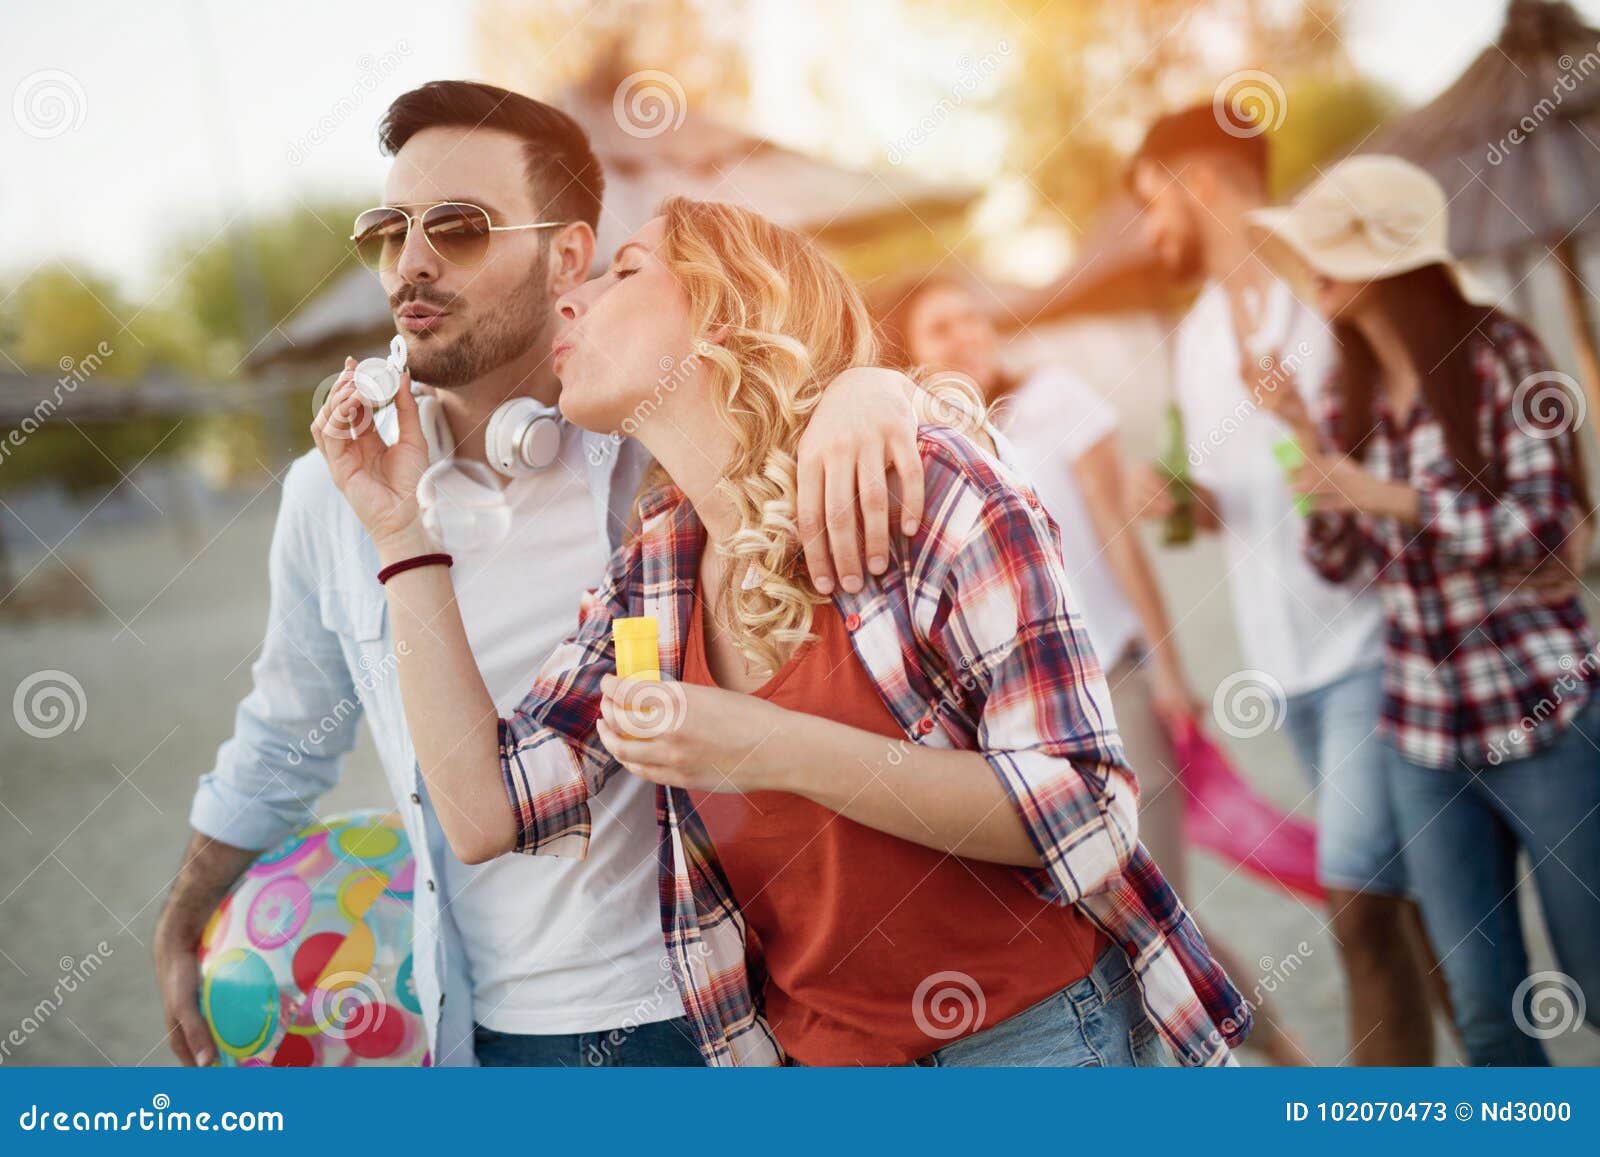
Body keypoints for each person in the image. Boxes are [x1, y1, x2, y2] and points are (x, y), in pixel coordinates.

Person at [310, 195, 1252, 1067]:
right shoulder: (656, 574)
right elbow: (485, 808)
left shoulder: (931, 492)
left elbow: (1083, 812)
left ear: (726, 314)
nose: (571, 301)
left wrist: (768, 744)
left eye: (623, 270)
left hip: (1036, 1043)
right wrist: (402, 534)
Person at [153, 81, 935, 1069]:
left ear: (569, 255)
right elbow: (285, 729)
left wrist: (877, 389)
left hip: (734, 1003)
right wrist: (185, 911)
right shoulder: (331, 495)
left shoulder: (656, 451)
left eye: (459, 226)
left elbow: (784, 368)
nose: (412, 262)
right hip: (488, 1028)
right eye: (388, 231)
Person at [875, 272, 1305, 1065]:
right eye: (942, 328)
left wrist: (1169, 668)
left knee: (1150, 904)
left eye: (973, 315)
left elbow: (1119, 532)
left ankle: (1286, 1068)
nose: (967, 334)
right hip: (1011, 727)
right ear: (913, 354)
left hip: (1112, 678)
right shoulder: (926, 448)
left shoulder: (1054, 398)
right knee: (1113, 922)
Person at [1248, 154, 1600, 1066]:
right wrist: (1304, 437)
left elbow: (1546, 527)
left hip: (1544, 714)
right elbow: (1341, 561)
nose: (1310, 263)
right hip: (1424, 736)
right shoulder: (1344, 390)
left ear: (1386, 255)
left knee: (1594, 982)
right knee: (1487, 1016)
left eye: (1331, 243)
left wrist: (1392, 497)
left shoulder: (1498, 353)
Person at [1122, 104, 1455, 1065]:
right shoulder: (1191, 339)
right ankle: (1498, 1067)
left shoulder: (1325, 299)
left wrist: (1315, 433)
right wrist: (1184, 495)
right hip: (1287, 670)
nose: (1152, 232)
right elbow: (1246, 502)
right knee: (1404, 901)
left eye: (1155, 202)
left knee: (1355, 902)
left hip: (1373, 644)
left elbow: (1390, 462)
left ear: (1201, 181)